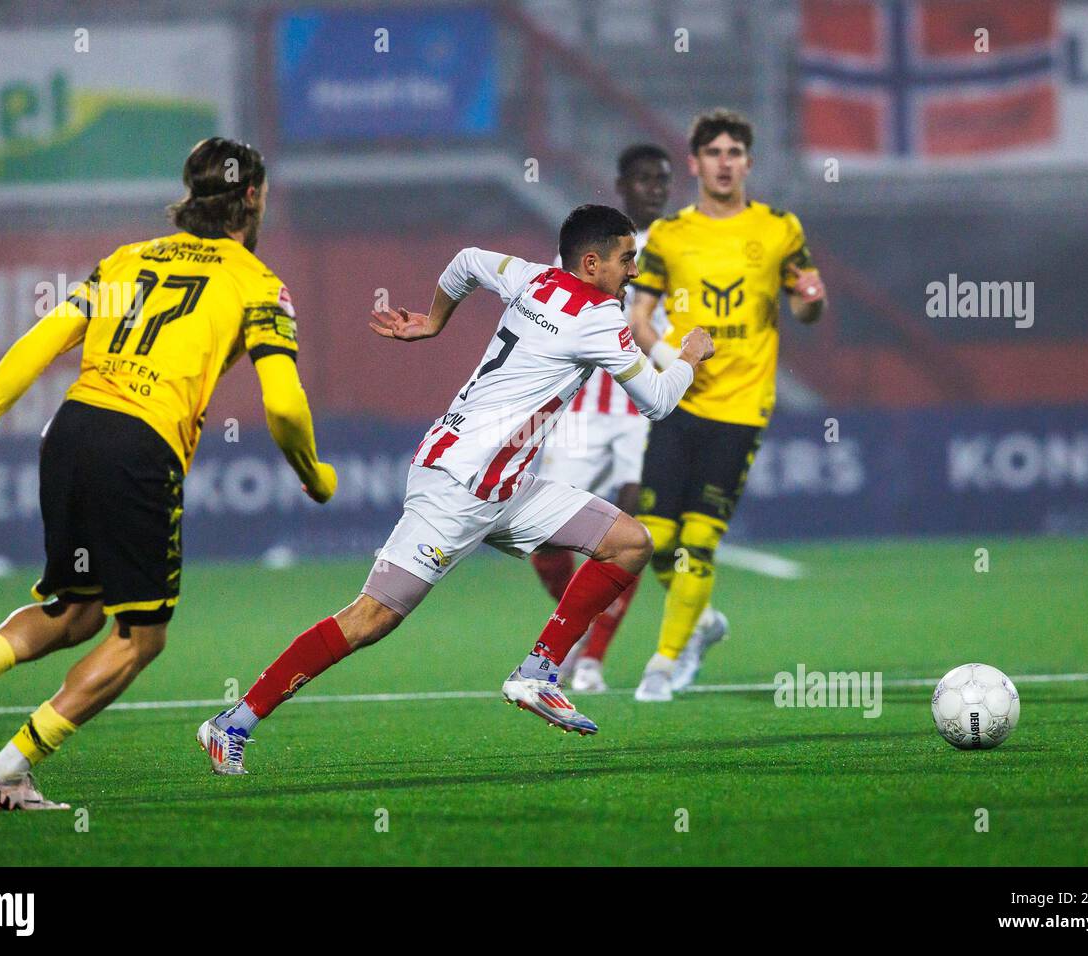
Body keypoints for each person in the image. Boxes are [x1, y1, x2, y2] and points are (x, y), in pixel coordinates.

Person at [0, 138, 337, 810]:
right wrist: (314, 471)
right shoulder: (256, 282)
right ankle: (6, 771)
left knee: (72, 613)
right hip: (139, 446)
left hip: (70, 431)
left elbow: (38, 343)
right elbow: (283, 403)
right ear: (251, 197)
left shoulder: (130, 259)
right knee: (139, 639)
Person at [197, 204, 714, 774]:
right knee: (372, 617)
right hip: (460, 488)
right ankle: (232, 723)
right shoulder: (597, 318)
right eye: (626, 259)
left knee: (630, 542)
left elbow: (467, 261)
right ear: (591, 264)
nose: (634, 272)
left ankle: (538, 673)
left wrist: (434, 320)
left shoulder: (530, 277)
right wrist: (687, 356)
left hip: (504, 483)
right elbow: (659, 402)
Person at [627, 109, 827, 702]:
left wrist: (812, 300)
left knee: (700, 540)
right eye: (712, 152)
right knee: (654, 540)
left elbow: (806, 305)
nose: (723, 162)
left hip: (741, 410)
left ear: (748, 161)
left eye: (734, 152)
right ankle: (703, 621)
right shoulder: (668, 236)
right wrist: (677, 359)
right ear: (693, 163)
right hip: (679, 402)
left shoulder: (778, 230)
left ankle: (663, 664)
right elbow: (637, 319)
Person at [531, 143, 673, 692]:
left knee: (628, 527)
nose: (655, 188)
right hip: (584, 413)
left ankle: (591, 658)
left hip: (641, 409)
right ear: (622, 185)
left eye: (663, 178)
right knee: (546, 537)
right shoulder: (591, 246)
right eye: (643, 179)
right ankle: (579, 625)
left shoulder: (683, 246)